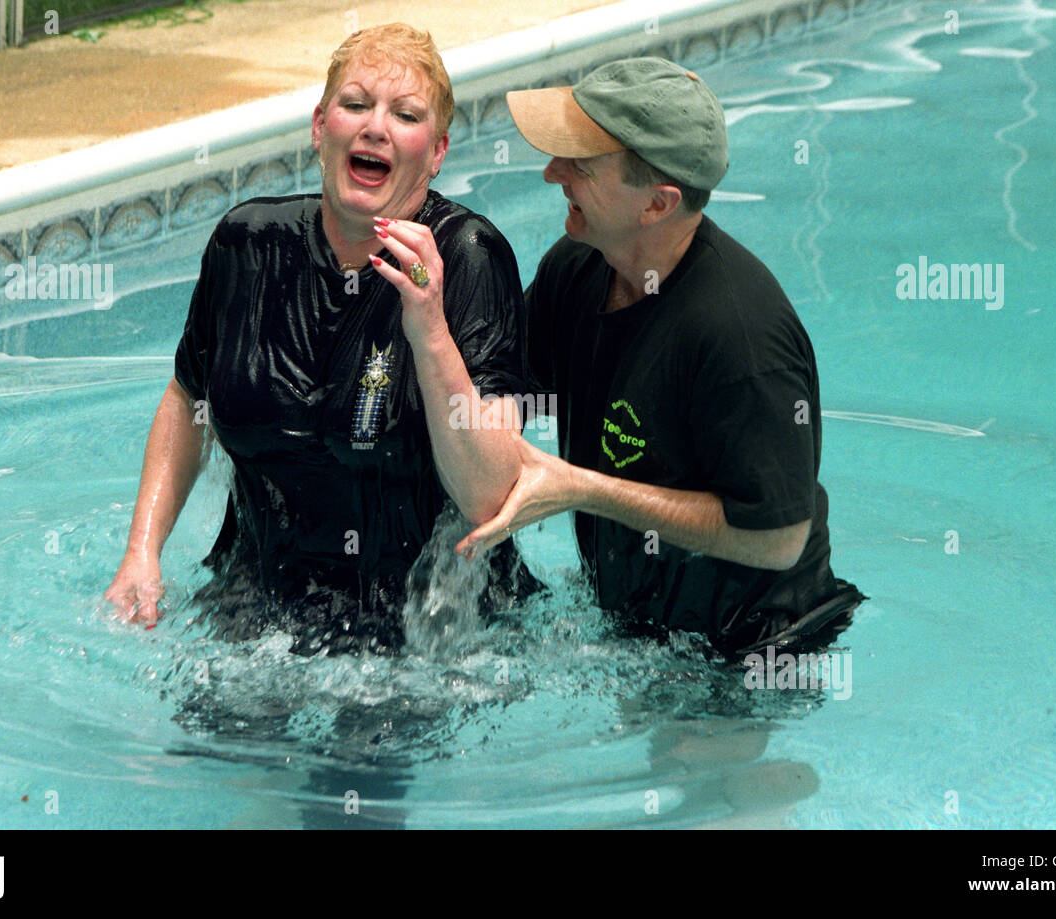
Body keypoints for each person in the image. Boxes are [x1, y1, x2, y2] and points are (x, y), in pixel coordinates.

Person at [105, 23, 538, 654]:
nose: (375, 127)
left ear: (438, 151)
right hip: (257, 604)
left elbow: (490, 497)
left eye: (405, 114)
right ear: (319, 126)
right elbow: (185, 400)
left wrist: (430, 330)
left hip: (422, 633)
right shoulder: (247, 243)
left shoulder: (469, 259)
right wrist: (142, 554)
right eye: (355, 104)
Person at [458, 58, 864, 659]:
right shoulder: (577, 268)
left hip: (757, 648)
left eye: (581, 165)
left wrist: (580, 488)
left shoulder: (741, 337)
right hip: (645, 629)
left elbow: (778, 540)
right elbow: (501, 387)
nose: (550, 173)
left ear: (656, 203)